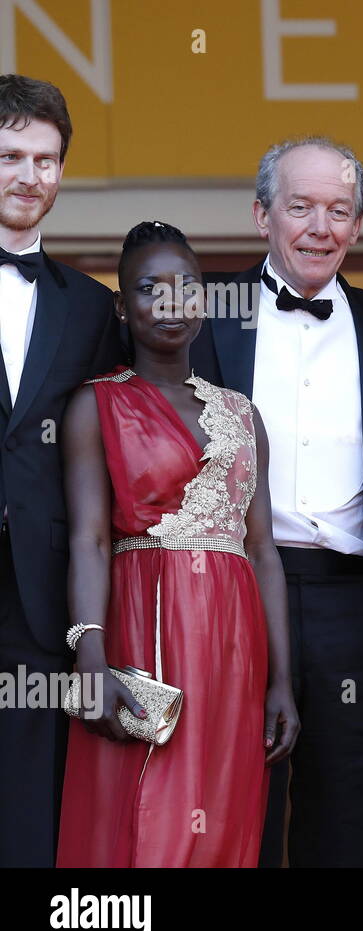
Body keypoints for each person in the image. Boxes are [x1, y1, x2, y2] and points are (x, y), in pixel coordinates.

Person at [188, 136, 363, 867]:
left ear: (358, 227)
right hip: (228, 592)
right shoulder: (198, 316)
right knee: (231, 802)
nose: (320, 228)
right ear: (261, 214)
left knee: (353, 813)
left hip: (353, 605)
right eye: (300, 208)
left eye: (339, 210)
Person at [56, 222, 298, 866]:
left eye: (187, 287)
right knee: (144, 813)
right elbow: (88, 540)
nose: (170, 303)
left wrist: (283, 682)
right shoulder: (95, 405)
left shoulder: (244, 414)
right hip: (143, 627)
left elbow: (264, 552)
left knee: (224, 814)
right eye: (149, 288)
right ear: (121, 307)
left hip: (235, 645)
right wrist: (89, 656)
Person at [0, 73, 122, 867]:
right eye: (10, 155)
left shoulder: (88, 305)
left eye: (45, 160)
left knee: (30, 808)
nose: (28, 176)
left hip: (40, 598)